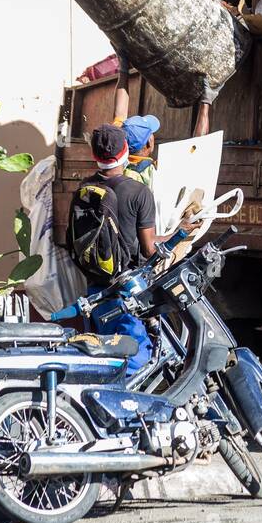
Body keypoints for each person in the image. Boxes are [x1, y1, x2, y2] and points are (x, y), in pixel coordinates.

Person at [80, 124, 160, 373]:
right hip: (128, 291)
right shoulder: (138, 192)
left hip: (95, 289)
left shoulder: (84, 189)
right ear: (126, 151)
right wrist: (184, 230)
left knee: (104, 358)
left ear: (95, 156)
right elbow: (149, 248)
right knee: (135, 360)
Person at [110, 56, 160, 189]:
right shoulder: (154, 174)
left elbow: (119, 113)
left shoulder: (117, 164)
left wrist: (123, 70)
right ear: (148, 143)